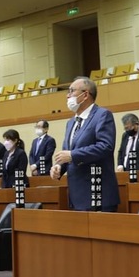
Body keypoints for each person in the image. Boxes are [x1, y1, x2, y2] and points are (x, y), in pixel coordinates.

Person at [51, 76, 120, 212]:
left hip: (98, 193)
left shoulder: (102, 115)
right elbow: (68, 153)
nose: (67, 96)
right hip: (77, 196)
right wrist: (59, 167)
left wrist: (72, 155)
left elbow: (105, 146)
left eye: (71, 91)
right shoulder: (71, 122)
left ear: (85, 94)